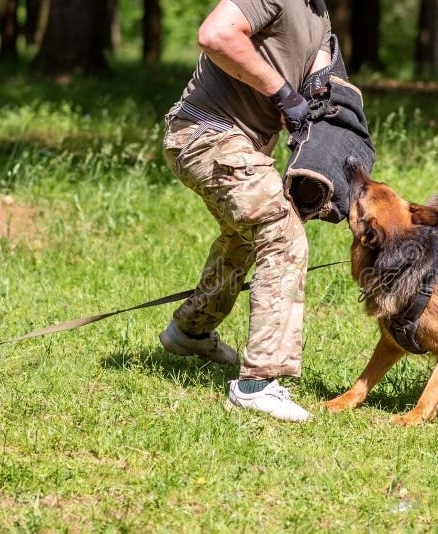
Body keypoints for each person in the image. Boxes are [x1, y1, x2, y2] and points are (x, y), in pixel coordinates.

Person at [159, 0, 333, 422]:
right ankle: (258, 383)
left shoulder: (320, 13)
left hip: (241, 144)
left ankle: (191, 331)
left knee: (246, 234)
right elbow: (215, 35)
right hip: (207, 134)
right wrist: (281, 93)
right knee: (280, 231)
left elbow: (321, 71)